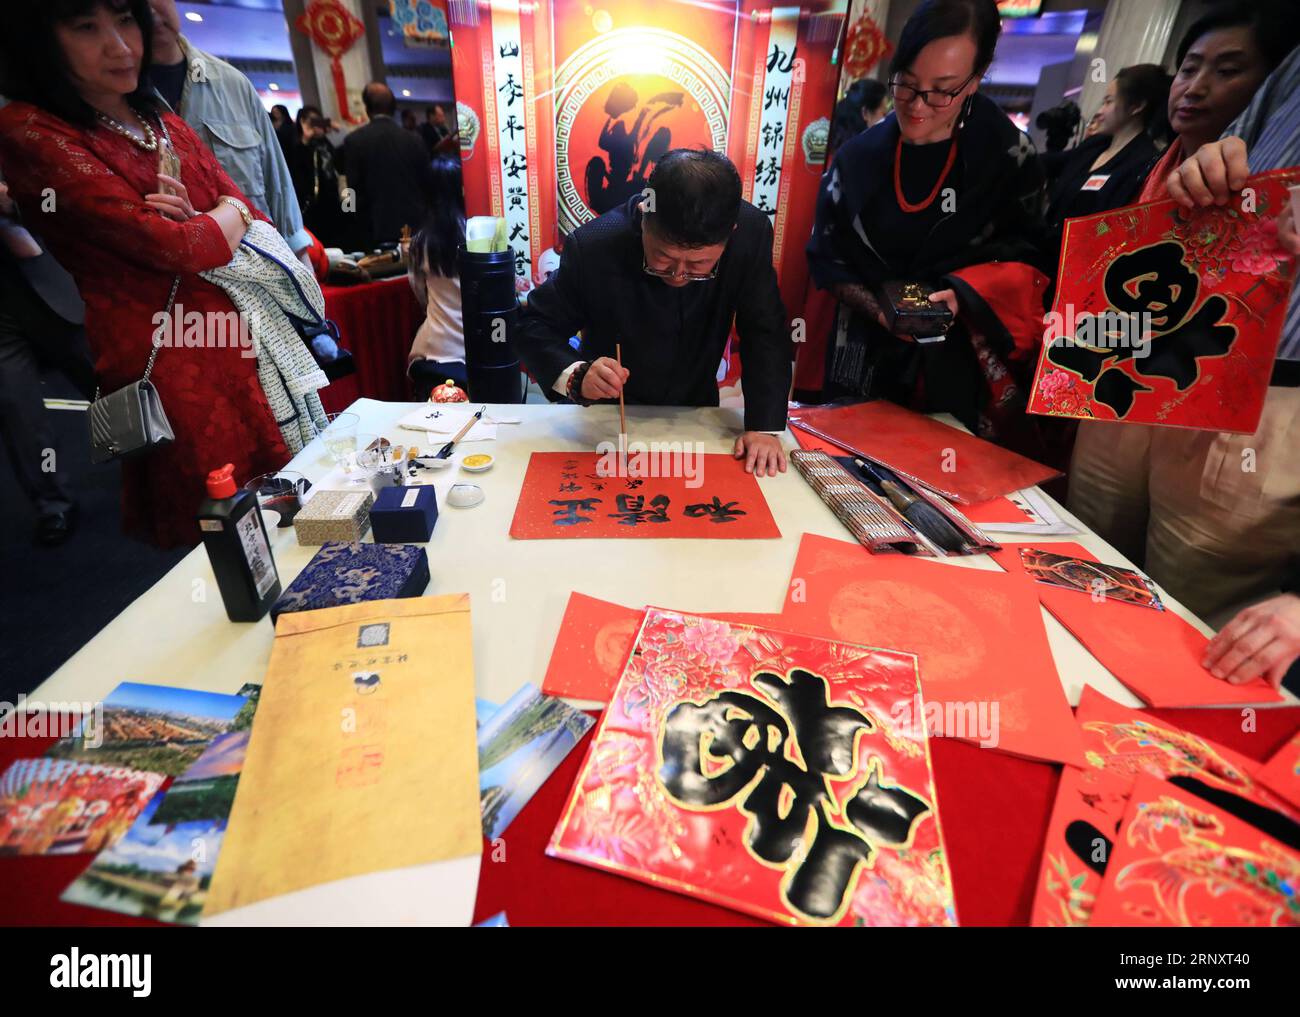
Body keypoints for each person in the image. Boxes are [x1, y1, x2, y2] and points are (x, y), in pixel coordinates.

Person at [0, 0, 293, 548]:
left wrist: (214, 222)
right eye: (86, 26)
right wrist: (217, 222)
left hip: (238, 329)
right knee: (215, 524)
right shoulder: (32, 130)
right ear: (39, 40)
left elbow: (242, 204)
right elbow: (183, 245)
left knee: (278, 503)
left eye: (125, 19)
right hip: (164, 350)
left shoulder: (153, 111)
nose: (119, 44)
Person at [1066, 2, 1300, 634]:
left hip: (1250, 400)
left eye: (1227, 70)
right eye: (1189, 68)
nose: (1197, 87)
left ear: (1270, 89)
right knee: (1084, 556)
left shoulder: (1275, 189)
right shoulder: (1150, 170)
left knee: (1186, 601)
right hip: (1124, 381)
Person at [806, 0, 1052, 452]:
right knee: (851, 474)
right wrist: (881, 310)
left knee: (947, 486)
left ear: (975, 81)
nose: (917, 106)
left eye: (942, 91)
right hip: (864, 351)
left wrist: (968, 293)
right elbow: (827, 256)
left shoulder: (1007, 157)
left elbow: (1035, 254)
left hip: (961, 363)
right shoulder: (859, 159)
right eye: (906, 84)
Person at [517, 148, 791, 476]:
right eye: (663, 258)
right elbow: (533, 326)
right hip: (605, 422)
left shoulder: (750, 234)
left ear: (729, 234)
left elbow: (765, 330)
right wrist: (577, 376)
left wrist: (764, 426)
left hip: (697, 415)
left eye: (699, 265)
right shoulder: (596, 245)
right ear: (646, 213)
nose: (678, 275)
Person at [145, 0, 313, 268]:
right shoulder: (115, 98)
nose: (149, 8)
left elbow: (276, 181)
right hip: (176, 285)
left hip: (261, 274)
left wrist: (301, 261)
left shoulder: (232, 84)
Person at [0, 176, 96, 545]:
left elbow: (59, 198)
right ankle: (52, 503)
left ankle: (158, 467)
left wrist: (15, 203)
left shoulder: (14, 126)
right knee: (19, 411)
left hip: (45, 281)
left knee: (105, 385)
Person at [1044, 65, 1170, 268]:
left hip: (1081, 270)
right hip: (1044, 259)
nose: (1100, 111)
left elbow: (1111, 227)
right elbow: (1048, 163)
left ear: (1136, 106)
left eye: (1108, 102)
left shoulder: (1144, 164)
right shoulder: (1094, 145)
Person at [340, 82, 435, 249]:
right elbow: (428, 184)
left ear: (367, 109)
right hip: (416, 227)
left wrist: (349, 217)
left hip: (375, 230)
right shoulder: (415, 139)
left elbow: (351, 190)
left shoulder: (354, 141)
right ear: (393, 109)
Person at [406, 155, 467, 399]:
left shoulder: (421, 242)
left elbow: (419, 293)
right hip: (476, 345)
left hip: (437, 345)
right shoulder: (477, 234)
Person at [290, 108, 345, 248]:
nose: (316, 126)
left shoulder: (326, 143)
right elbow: (298, 173)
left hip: (336, 202)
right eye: (312, 122)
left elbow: (340, 164)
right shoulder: (299, 147)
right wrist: (306, 139)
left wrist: (334, 129)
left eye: (318, 121)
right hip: (316, 207)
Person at [828, 79, 889, 157]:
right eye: (884, 113)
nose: (886, 119)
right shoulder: (866, 155)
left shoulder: (834, 145)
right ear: (866, 113)